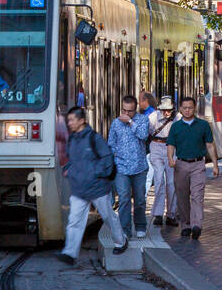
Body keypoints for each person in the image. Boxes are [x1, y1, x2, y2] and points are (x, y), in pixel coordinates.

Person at [59, 106, 129, 264]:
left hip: (97, 188)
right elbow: (70, 160)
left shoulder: (94, 138)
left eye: (72, 120)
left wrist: (93, 173)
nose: (69, 123)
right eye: (68, 120)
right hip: (79, 189)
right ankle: (70, 253)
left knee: (108, 217)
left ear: (82, 120)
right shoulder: (72, 139)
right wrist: (69, 170)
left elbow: (107, 160)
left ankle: (121, 241)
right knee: (74, 221)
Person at [167, 95, 218, 240]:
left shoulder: (203, 125)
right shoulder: (175, 127)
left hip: (198, 165)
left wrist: (215, 165)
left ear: (194, 108)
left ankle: (196, 225)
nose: (188, 110)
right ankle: (186, 224)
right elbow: (171, 144)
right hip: (181, 165)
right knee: (182, 197)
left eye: (190, 108)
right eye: (185, 108)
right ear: (181, 109)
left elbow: (209, 144)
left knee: (197, 195)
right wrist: (170, 159)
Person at [107, 94, 150, 238]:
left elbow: (144, 135)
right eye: (124, 111)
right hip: (121, 168)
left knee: (139, 199)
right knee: (124, 198)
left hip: (139, 167)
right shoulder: (115, 123)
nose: (126, 114)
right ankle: (125, 230)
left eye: (129, 111)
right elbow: (111, 143)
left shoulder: (143, 120)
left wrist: (131, 122)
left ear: (135, 109)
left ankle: (140, 225)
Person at [147, 95, 179, 226]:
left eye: (169, 110)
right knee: (159, 180)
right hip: (156, 146)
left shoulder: (177, 118)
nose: (166, 113)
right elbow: (147, 132)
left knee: (171, 182)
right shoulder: (153, 117)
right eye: (164, 110)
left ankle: (171, 214)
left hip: (171, 148)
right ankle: (158, 214)